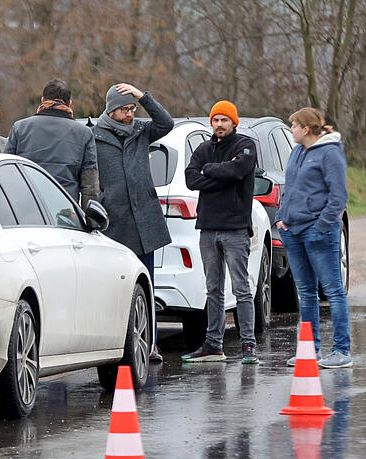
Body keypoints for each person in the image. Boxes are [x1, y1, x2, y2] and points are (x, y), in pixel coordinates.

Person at [92, 83, 174, 362]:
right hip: (114, 223)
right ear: (111, 110)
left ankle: (150, 343)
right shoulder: (94, 136)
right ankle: (118, 345)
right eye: (125, 109)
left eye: (132, 108)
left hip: (145, 222)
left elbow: (166, 122)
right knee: (117, 288)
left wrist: (142, 96)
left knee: (148, 284)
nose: (130, 114)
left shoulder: (141, 130)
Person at [182, 100, 258, 364]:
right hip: (207, 227)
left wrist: (210, 170)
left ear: (233, 122)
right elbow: (191, 179)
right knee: (212, 289)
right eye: (215, 120)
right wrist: (221, 176)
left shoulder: (245, 145)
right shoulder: (204, 148)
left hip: (236, 228)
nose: (219, 124)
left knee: (241, 288)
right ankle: (213, 345)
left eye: (224, 120)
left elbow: (238, 170)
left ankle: (248, 345)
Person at [276, 107, 351, 369]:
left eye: (294, 126)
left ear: (306, 129)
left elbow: (338, 197)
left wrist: (320, 227)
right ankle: (310, 349)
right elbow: (291, 187)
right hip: (292, 231)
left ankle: (342, 350)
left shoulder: (330, 153)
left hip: (319, 232)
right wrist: (281, 218)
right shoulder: (297, 151)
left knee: (332, 291)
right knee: (305, 293)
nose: (291, 130)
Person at [7, 79, 99, 208]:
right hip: (66, 210)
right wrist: (90, 221)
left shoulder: (20, 128)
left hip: (26, 207)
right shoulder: (84, 133)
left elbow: (8, 174)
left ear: (42, 100)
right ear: (70, 103)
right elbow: (90, 186)